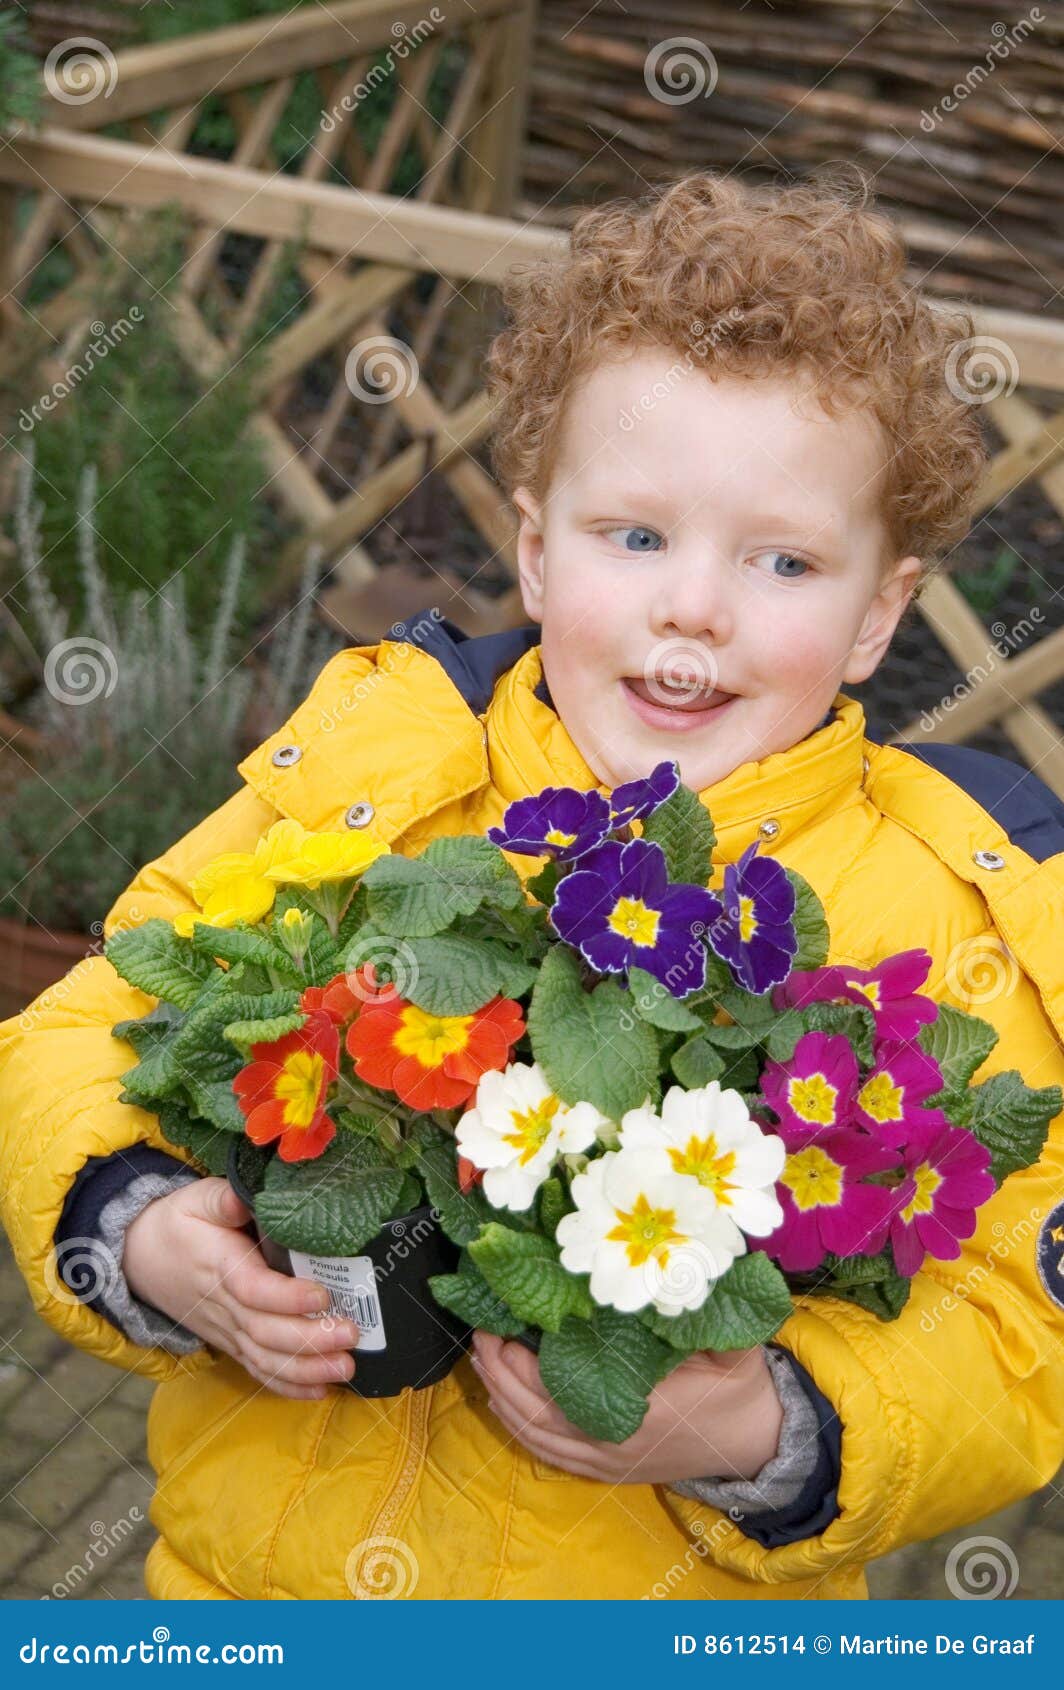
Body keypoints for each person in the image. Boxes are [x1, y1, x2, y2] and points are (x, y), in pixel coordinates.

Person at [2, 167, 1063, 1602]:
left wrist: (766, 1424)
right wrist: (140, 1225)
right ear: (533, 549)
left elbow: (1015, 1323)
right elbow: (77, 1028)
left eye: (786, 559)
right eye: (636, 535)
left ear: (881, 611)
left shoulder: (952, 910)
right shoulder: (385, 773)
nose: (695, 602)